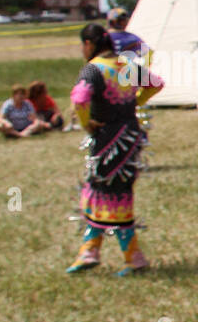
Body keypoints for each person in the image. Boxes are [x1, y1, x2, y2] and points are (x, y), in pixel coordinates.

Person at [66, 23, 163, 274]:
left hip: (107, 136)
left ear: (89, 44)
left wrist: (87, 124)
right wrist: (135, 103)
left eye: (81, 45)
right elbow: (156, 83)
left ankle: (133, 257)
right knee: (104, 190)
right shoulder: (124, 65)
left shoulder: (93, 69)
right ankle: (90, 251)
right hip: (130, 137)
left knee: (110, 193)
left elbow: (78, 99)